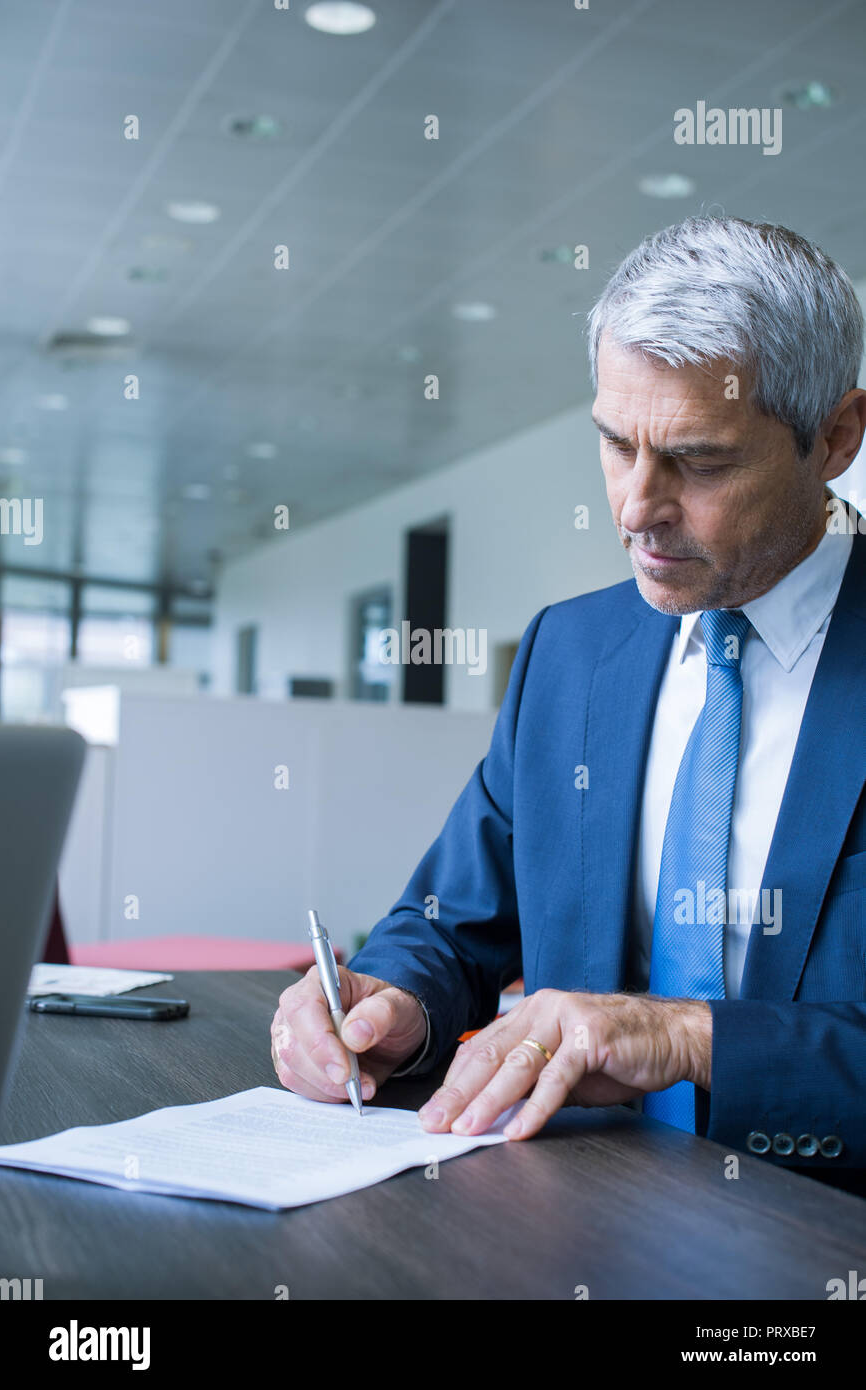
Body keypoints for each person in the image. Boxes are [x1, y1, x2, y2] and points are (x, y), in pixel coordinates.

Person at [270, 216, 866, 1190]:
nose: (635, 506)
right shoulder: (571, 650)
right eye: (614, 443)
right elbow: (451, 919)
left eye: (699, 460)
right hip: (571, 1218)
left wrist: (688, 1037)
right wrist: (395, 1005)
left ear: (835, 437)